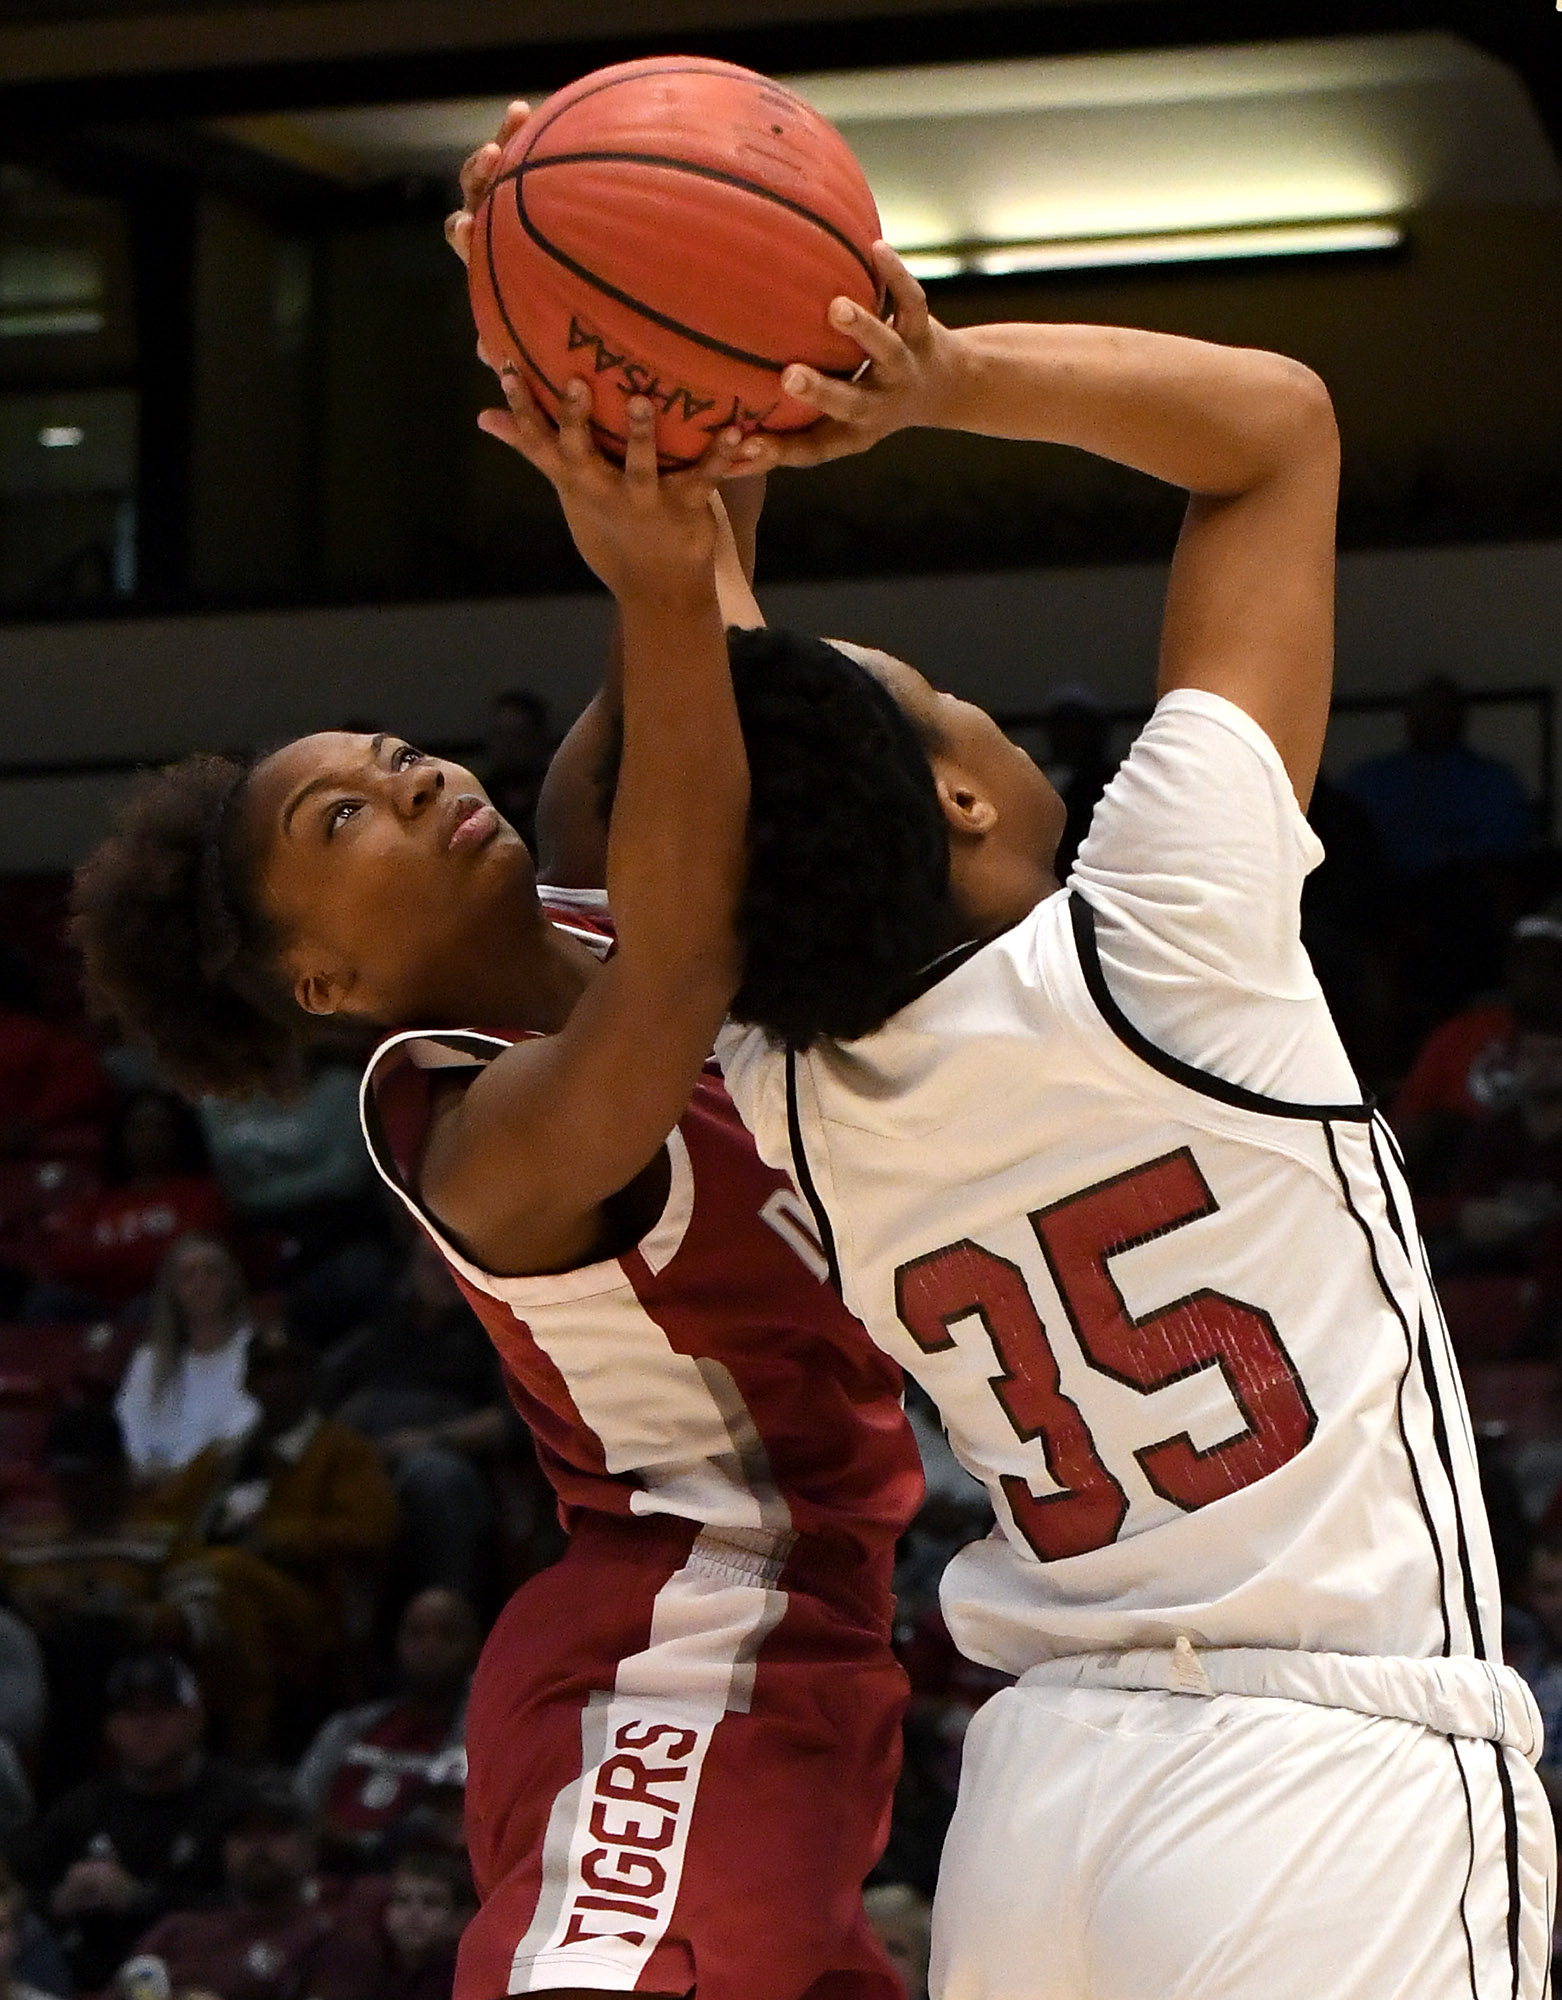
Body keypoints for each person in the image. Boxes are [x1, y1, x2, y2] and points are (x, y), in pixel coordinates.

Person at [526, 243, 1553, 1994]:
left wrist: (665, 489)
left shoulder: (768, 1063)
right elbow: (1278, 430)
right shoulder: (1165, 933)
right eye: (936, 688)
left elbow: (693, 800)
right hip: (1325, 1773)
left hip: (1038, 1800)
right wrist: (929, 383)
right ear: (958, 787)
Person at [68, 111, 925, 2000]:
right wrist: (641, 570)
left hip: (820, 1619)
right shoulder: (472, 1133)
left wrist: (617, 345)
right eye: (339, 828)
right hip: (677, 1639)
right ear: (314, 985)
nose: (399, 778)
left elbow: (716, 601)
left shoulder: (609, 833)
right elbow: (694, 942)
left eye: (378, 753)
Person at [151, 1326, 399, 1759]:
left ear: (313, 1378)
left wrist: (281, 1538)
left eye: (292, 1368)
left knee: (225, 1573)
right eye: (267, 1369)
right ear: (247, 1382)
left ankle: (246, 1754)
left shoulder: (342, 1451)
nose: (279, 1380)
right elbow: (161, 1522)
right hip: (219, 1596)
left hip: (312, 1604)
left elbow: (374, 1529)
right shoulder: (222, 1457)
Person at [12, 1651, 252, 1992]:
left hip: (200, 1977)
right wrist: (58, 1901)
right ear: (110, 1726)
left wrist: (140, 1900)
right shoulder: (81, 1808)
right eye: (131, 1713)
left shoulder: (235, 1802)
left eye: (162, 1711)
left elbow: (250, 1904)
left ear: (195, 1718)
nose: (146, 1726)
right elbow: (17, 1886)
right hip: (89, 1981)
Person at [320, 1229, 520, 1599]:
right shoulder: (384, 1329)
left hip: (442, 1458)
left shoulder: (495, 1334)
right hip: (365, 1460)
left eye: (451, 1265)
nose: (442, 1274)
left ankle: (441, 1616)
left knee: (435, 1480)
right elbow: (329, 1398)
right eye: (431, 1264)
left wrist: (431, 1439)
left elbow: (514, 1420)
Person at [119, 1777, 379, 2000]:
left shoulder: (335, 1937)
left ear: (310, 1847)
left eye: (275, 1832)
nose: (258, 1846)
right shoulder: (176, 1931)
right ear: (225, 1850)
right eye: (245, 1834)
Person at [294, 1585, 477, 1872]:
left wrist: (367, 1845)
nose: (429, 1646)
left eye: (446, 1634)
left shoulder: (482, 1740)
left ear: (474, 1647)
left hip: (418, 1883)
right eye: (416, 1633)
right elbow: (300, 1806)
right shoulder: (348, 1727)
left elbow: (447, 1826)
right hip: (326, 1875)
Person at [1393, 900, 1562, 1193]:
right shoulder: (1462, 1031)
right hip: (1467, 1161)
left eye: (1547, 964)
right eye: (1525, 963)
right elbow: (1410, 1116)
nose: (1535, 976)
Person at [26, 1090, 229, 1323]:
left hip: (161, 1303)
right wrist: (131, 1261)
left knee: (150, 1306)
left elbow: (185, 1261)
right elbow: (63, 1258)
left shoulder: (202, 1196)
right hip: (98, 1304)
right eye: (138, 1127)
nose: (148, 1136)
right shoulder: (96, 1202)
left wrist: (107, 1260)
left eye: (159, 1127)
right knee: (49, 1300)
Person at [1345, 673, 1533, 876]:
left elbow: (1507, 845)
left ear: (1459, 716)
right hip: (1385, 893)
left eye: (1441, 710)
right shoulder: (1372, 780)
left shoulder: (1493, 782)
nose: (1433, 718)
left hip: (1468, 890)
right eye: (1425, 711)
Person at [114, 1234, 260, 1486]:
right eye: (188, 1276)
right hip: (155, 1496)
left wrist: (187, 1476)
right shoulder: (148, 1361)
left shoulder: (257, 1351)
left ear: (231, 1282)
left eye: (212, 1272)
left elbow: (246, 1433)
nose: (201, 1285)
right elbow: (129, 1436)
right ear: (173, 1291)